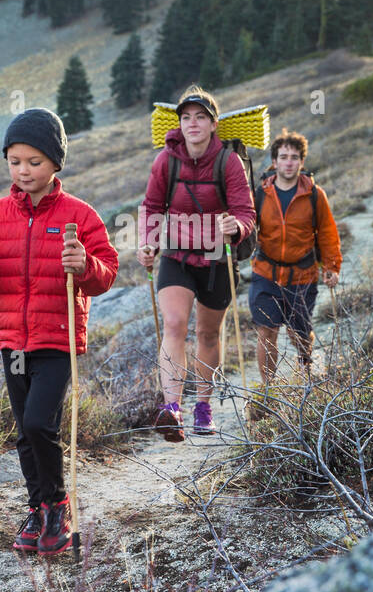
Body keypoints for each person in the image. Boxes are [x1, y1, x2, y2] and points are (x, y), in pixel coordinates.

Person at [0, 108, 118, 556]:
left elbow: (106, 273)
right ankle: (38, 508)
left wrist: (84, 267)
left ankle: (57, 503)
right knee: (25, 428)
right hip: (13, 343)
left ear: (56, 163)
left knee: (42, 422)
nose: (23, 171)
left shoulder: (79, 214)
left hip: (56, 340)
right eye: (15, 161)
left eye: (34, 162)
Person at [138, 85, 256, 440]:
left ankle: (203, 407)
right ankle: (172, 409)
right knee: (174, 324)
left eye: (200, 117)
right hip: (176, 255)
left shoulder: (229, 161)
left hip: (218, 257)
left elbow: (245, 211)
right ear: (179, 123)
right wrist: (147, 241)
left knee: (207, 333)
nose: (192, 123)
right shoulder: (165, 160)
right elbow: (152, 207)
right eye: (186, 117)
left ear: (213, 123)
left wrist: (235, 226)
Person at [249, 128, 341, 385]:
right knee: (266, 330)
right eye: (283, 156)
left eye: (294, 157)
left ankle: (305, 362)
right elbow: (247, 226)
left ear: (302, 162)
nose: (289, 162)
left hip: (302, 274)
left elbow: (327, 232)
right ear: (274, 161)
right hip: (265, 272)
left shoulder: (314, 194)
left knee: (298, 332)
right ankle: (269, 389)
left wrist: (331, 266)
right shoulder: (260, 193)